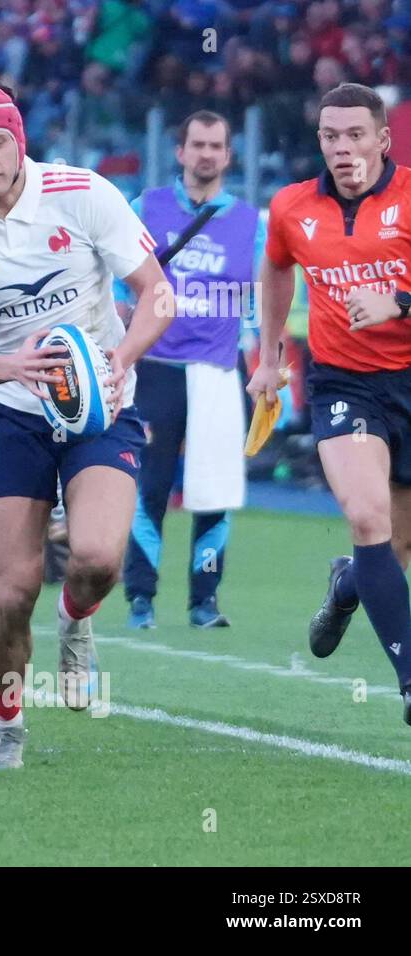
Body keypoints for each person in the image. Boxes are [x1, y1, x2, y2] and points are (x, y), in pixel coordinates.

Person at [0, 79, 174, 769]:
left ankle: (78, 623)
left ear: (19, 141)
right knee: (15, 589)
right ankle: (6, 723)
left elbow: (157, 294)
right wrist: (12, 369)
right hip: (10, 410)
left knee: (95, 560)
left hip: (101, 404)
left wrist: (120, 357)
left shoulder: (82, 192)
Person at [249, 83, 411, 724]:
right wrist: (269, 357)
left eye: (354, 136)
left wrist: (400, 302)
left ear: (382, 139)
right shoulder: (293, 207)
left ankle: (347, 586)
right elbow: (277, 268)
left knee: (393, 547)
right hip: (345, 384)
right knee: (370, 519)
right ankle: (409, 682)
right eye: (330, 137)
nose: (342, 149)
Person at [119, 110, 264, 629]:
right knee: (150, 487)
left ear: (228, 155)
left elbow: (262, 302)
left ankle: (204, 601)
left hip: (218, 372)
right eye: (197, 144)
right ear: (179, 152)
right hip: (156, 368)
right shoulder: (146, 207)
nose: (206, 154)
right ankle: (141, 597)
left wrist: (266, 365)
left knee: (214, 491)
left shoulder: (252, 223)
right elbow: (118, 288)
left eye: (216, 146)